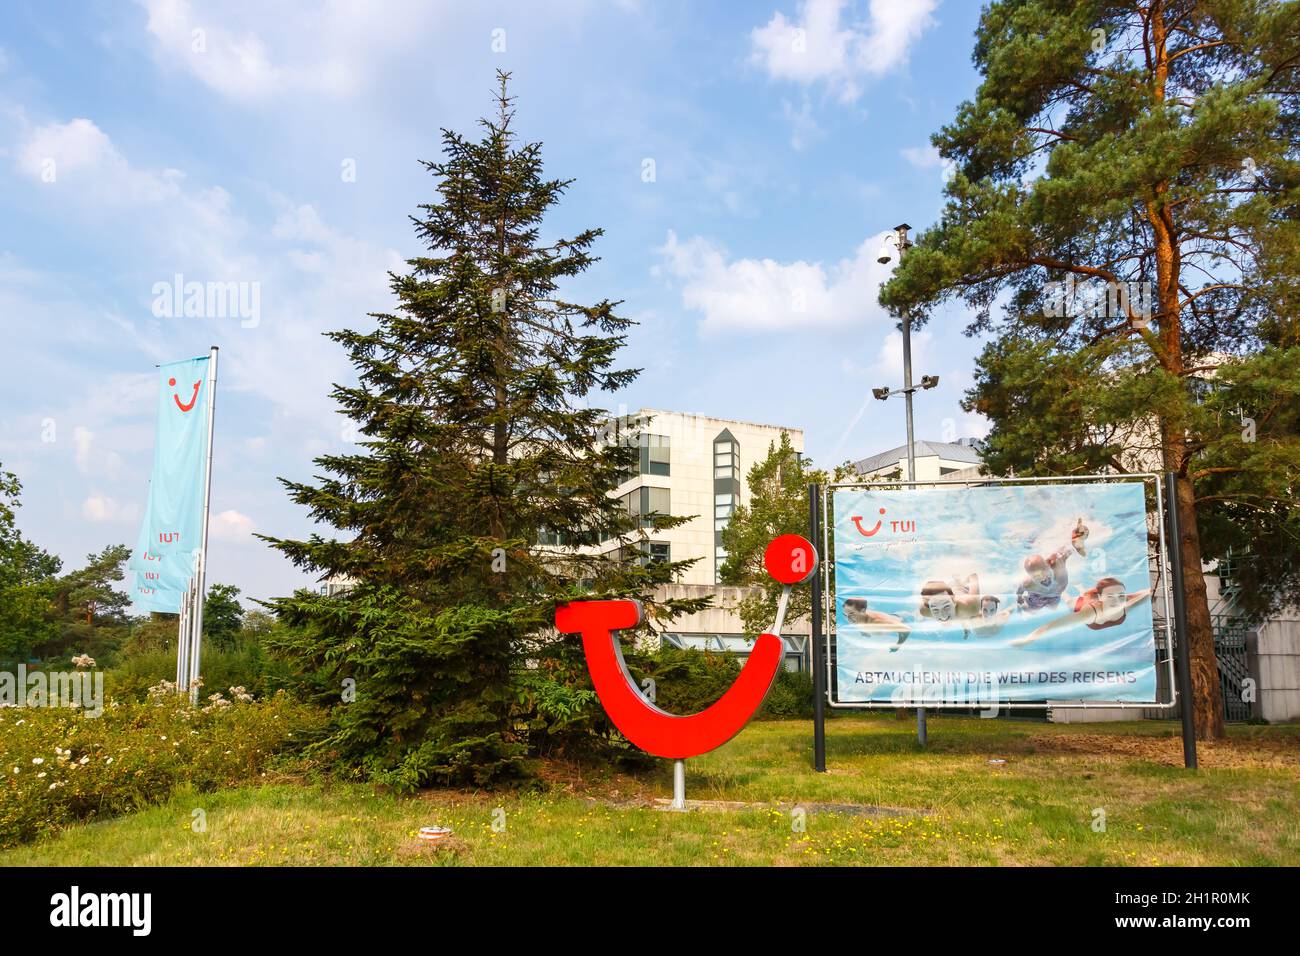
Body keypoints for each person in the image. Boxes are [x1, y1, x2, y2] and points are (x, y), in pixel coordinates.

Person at [1011, 577, 1151, 646]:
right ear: (1101, 597)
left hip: (1096, 599)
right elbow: (1055, 625)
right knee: (1070, 601)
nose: (1117, 600)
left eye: (1121, 595)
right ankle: (1064, 590)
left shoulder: (1128, 602)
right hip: (1087, 605)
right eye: (1110, 596)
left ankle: (1081, 587)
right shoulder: (1089, 613)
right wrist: (1028, 639)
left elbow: (1150, 591)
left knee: (1087, 593)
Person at [1015, 518, 1089, 611]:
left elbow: (1070, 548)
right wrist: (1019, 598)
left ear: (1048, 566)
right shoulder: (1028, 584)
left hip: (1055, 597)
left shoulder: (1057, 564)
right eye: (1037, 576)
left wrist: (1077, 541)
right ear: (1031, 577)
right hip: (1037, 597)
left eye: (1044, 571)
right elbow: (1020, 591)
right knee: (1031, 610)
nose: (1043, 577)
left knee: (1053, 609)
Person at [842, 597, 912, 652]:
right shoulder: (858, 617)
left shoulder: (878, 623)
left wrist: (898, 645)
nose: (848, 619)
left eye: (851, 614)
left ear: (863, 611)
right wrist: (863, 631)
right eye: (845, 615)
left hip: (906, 619)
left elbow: (907, 630)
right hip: (893, 616)